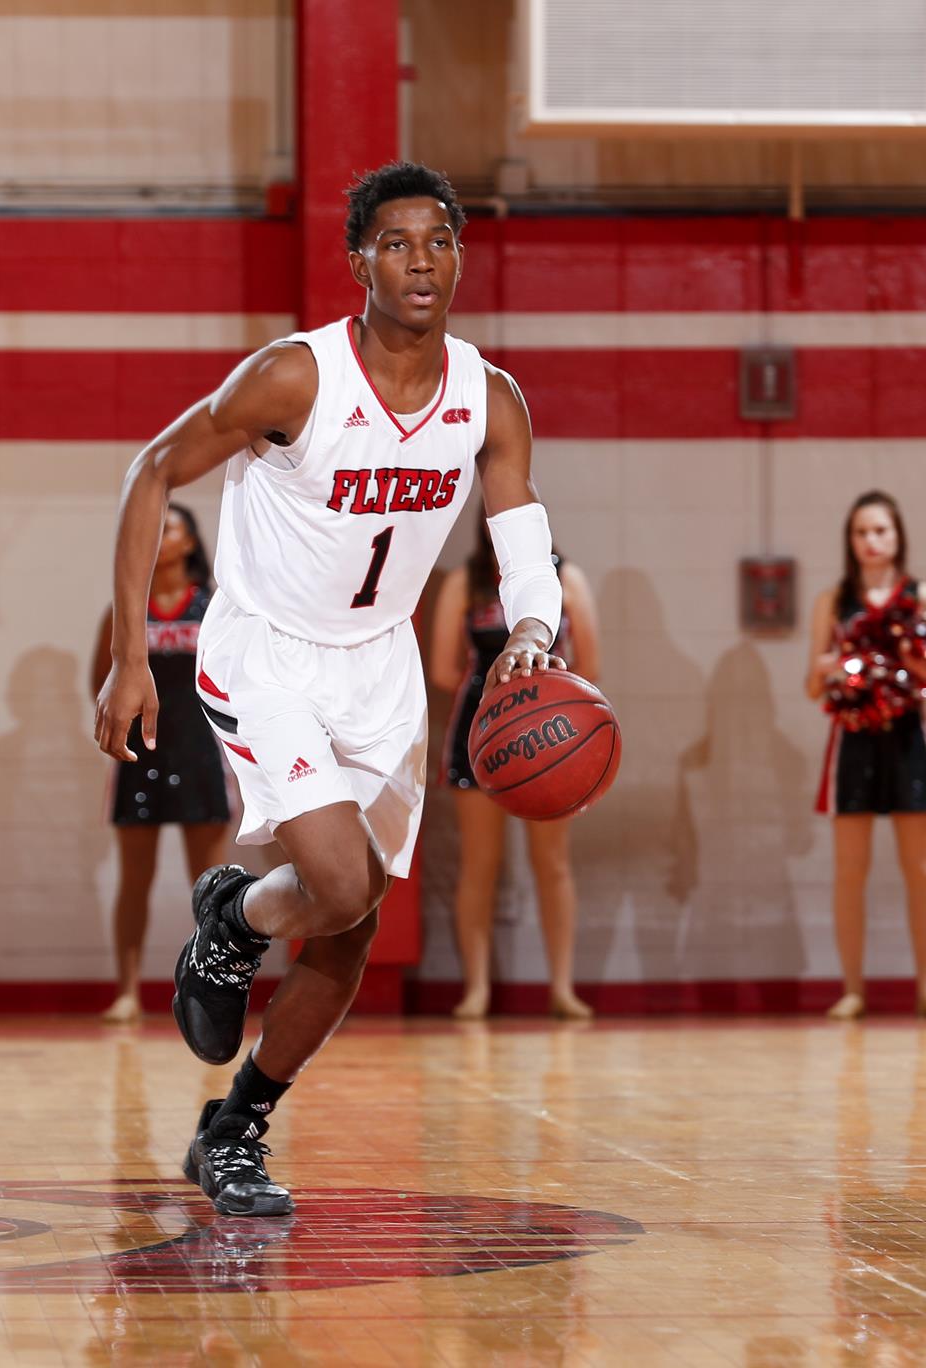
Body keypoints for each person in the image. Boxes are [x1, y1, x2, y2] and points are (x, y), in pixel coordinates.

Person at [94, 162, 566, 1217]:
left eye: (438, 241)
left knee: (353, 929)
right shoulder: (292, 379)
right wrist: (131, 657)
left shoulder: (486, 397)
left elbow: (517, 525)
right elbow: (150, 471)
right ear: (356, 261)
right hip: (264, 651)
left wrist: (533, 626)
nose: (420, 262)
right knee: (341, 884)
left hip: (378, 666)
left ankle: (235, 1125)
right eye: (395, 243)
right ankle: (235, 921)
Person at [427, 525, 600, 1020]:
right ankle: (476, 989)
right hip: (482, 734)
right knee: (479, 865)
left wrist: (537, 698)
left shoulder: (567, 579)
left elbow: (589, 663)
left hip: (552, 734)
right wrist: (503, 701)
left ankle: (562, 987)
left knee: (554, 864)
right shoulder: (467, 580)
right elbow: (442, 670)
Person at [806, 490, 926, 1021]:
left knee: (921, 869)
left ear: (898, 537)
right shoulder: (833, 599)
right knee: (851, 870)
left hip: (909, 738)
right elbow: (811, 683)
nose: (871, 541)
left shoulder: (925, 597)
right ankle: (852, 989)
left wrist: (906, 658)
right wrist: (845, 663)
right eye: (860, 532)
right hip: (852, 739)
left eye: (880, 531)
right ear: (849, 540)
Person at [88, 503, 231, 1024]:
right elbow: (100, 685)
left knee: (211, 883)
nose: (160, 535)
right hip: (139, 754)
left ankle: (212, 993)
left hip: (202, 752)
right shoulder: (126, 610)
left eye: (169, 527)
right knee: (135, 879)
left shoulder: (215, 606)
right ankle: (127, 991)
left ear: (190, 542)